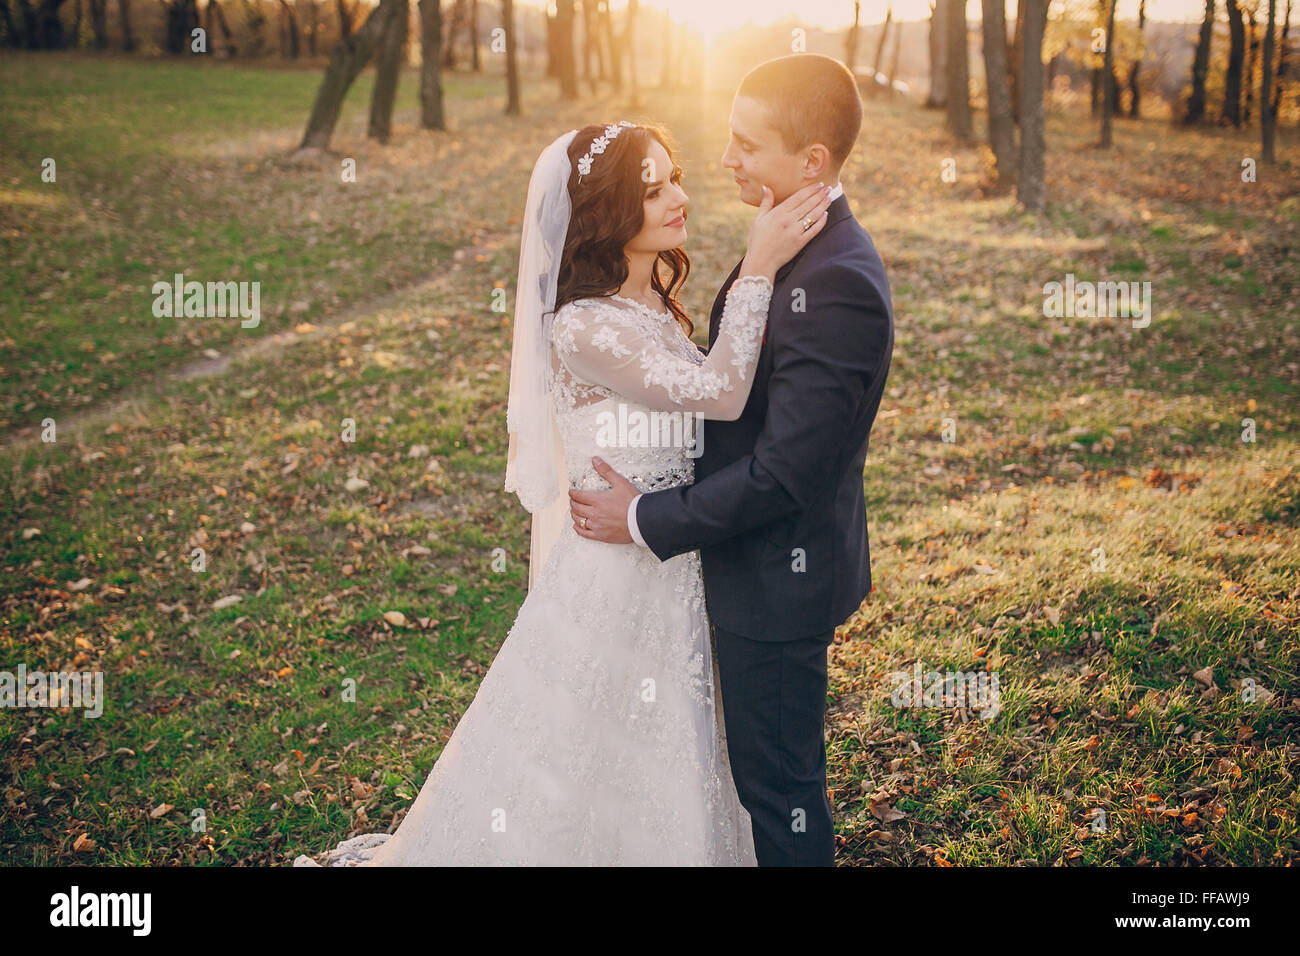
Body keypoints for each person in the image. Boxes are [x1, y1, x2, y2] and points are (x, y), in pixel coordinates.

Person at [293, 117, 833, 866]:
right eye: (652, 190)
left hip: (673, 553)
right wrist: (763, 268)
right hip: (617, 578)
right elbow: (720, 392)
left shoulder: (655, 307)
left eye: (674, 175)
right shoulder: (582, 327)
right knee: (584, 749)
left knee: (666, 743)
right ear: (606, 215)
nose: (679, 195)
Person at [569, 54, 895, 866]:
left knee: (778, 792)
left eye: (746, 145)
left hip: (775, 584)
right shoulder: (791, 248)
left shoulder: (838, 282)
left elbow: (786, 473)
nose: (726, 163)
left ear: (811, 161)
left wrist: (646, 515)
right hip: (730, 567)